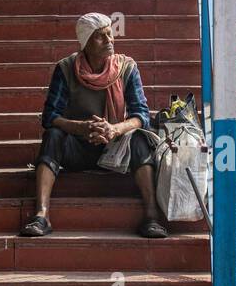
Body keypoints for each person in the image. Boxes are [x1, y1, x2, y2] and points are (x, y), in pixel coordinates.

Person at [20, 12, 167, 240]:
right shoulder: (66, 68)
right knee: (53, 135)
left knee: (140, 137)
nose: (109, 40)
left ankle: (151, 217)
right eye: (100, 37)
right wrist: (81, 127)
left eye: (110, 34)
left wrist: (114, 129)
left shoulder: (126, 67)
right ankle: (41, 215)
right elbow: (50, 117)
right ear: (86, 42)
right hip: (78, 148)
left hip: (117, 149)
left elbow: (141, 115)